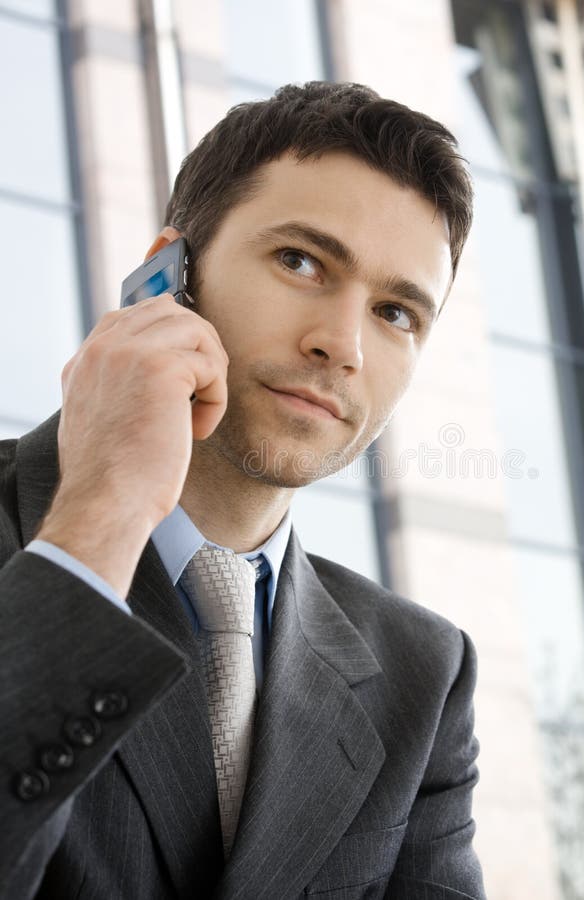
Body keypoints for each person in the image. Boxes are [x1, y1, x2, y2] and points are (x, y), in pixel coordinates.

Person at [0, 81, 484, 899]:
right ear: (167, 275)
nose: (342, 345)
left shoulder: (422, 674)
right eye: (300, 261)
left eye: (396, 313)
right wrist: (105, 507)